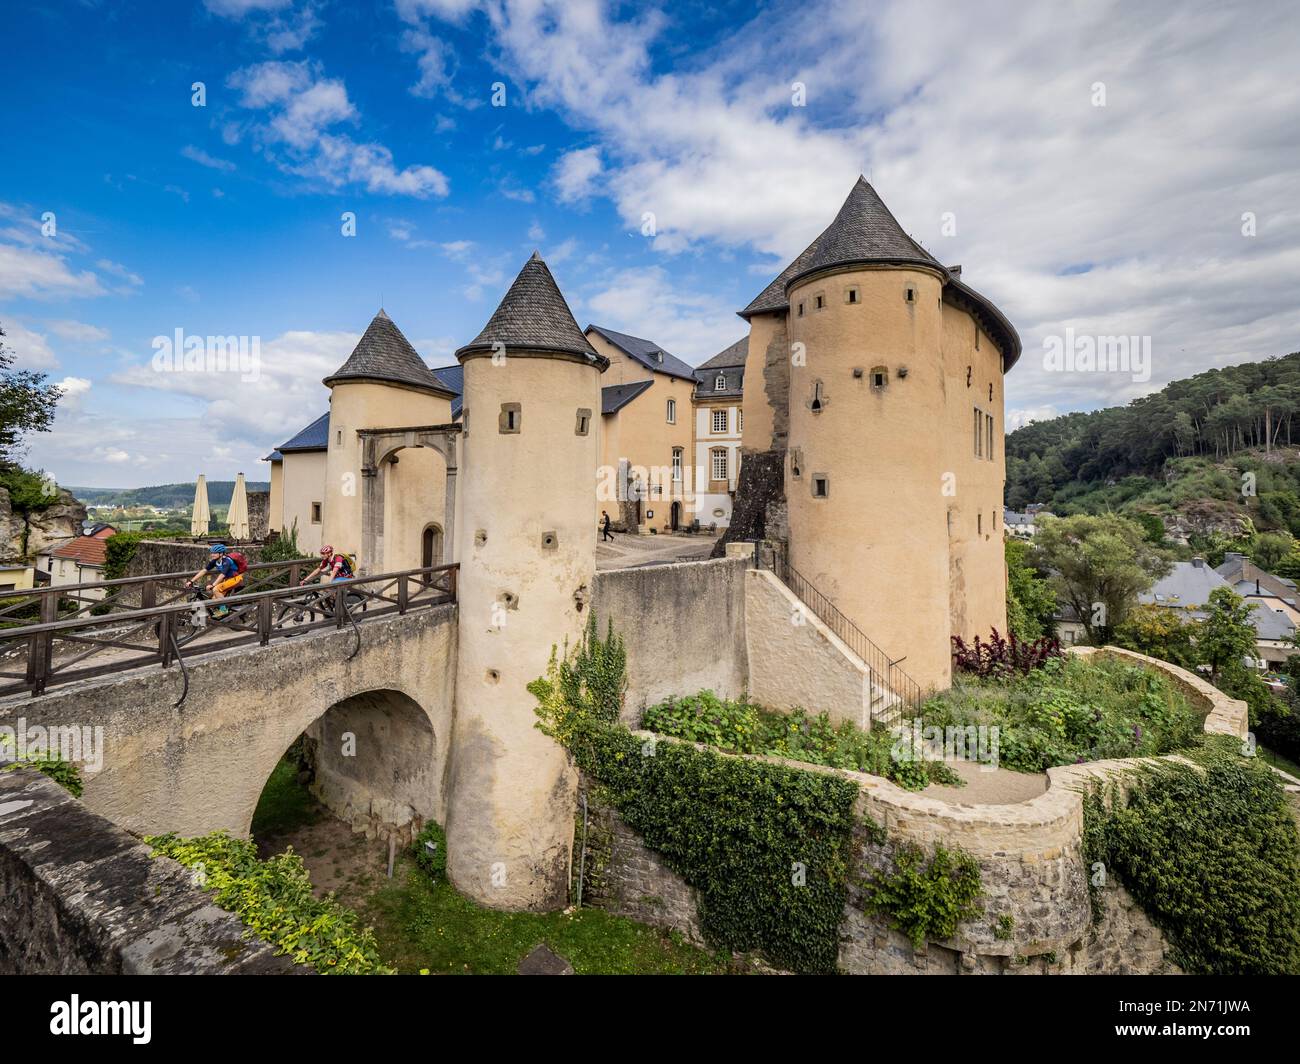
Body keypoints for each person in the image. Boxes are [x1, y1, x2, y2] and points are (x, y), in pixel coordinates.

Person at [184, 544, 245, 617]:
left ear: (221, 554)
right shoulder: (215, 561)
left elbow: (222, 575)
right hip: (227, 580)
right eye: (212, 553)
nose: (212, 555)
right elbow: (204, 571)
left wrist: (213, 585)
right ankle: (223, 614)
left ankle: (224, 610)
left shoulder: (227, 561)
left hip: (235, 579)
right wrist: (191, 581)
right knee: (214, 599)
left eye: (215, 553)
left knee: (216, 589)